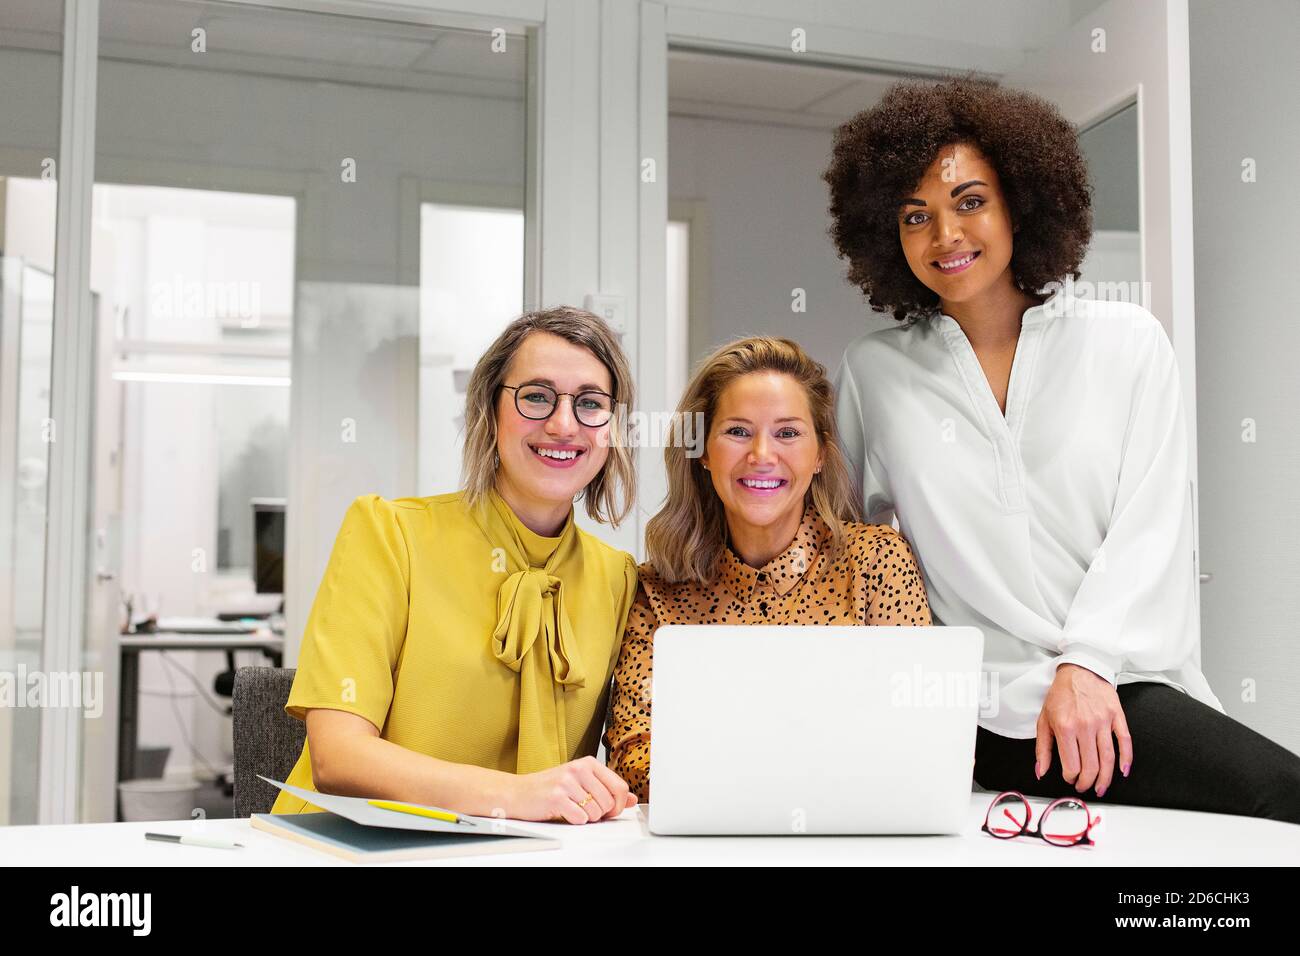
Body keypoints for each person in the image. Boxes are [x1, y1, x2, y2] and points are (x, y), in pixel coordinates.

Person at [826, 78, 1300, 823]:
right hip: (969, 717)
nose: (945, 234)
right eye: (916, 216)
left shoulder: (1129, 343)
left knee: (1279, 798)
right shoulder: (873, 372)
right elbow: (836, 543)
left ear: (1021, 199)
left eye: (970, 201)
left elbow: (1153, 530)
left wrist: (1085, 663)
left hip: (1118, 688)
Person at [272, 306, 640, 824]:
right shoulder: (389, 534)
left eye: (590, 403)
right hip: (352, 853)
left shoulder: (618, 578)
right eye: (536, 396)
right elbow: (338, 756)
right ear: (490, 411)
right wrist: (514, 796)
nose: (563, 424)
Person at [605, 336, 931, 801]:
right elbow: (633, 756)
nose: (761, 454)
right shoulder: (656, 591)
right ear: (702, 451)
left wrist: (731, 767)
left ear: (820, 454)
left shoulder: (878, 563)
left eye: (788, 433)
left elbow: (916, 735)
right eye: (737, 431)